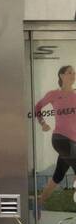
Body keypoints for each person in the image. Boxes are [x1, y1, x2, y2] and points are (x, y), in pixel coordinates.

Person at [35, 64, 76, 207]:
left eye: (74, 73)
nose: (73, 75)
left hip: (73, 142)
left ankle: (38, 203)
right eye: (69, 73)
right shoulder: (54, 94)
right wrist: (42, 123)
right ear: (61, 76)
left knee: (58, 176)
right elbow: (37, 107)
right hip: (60, 139)